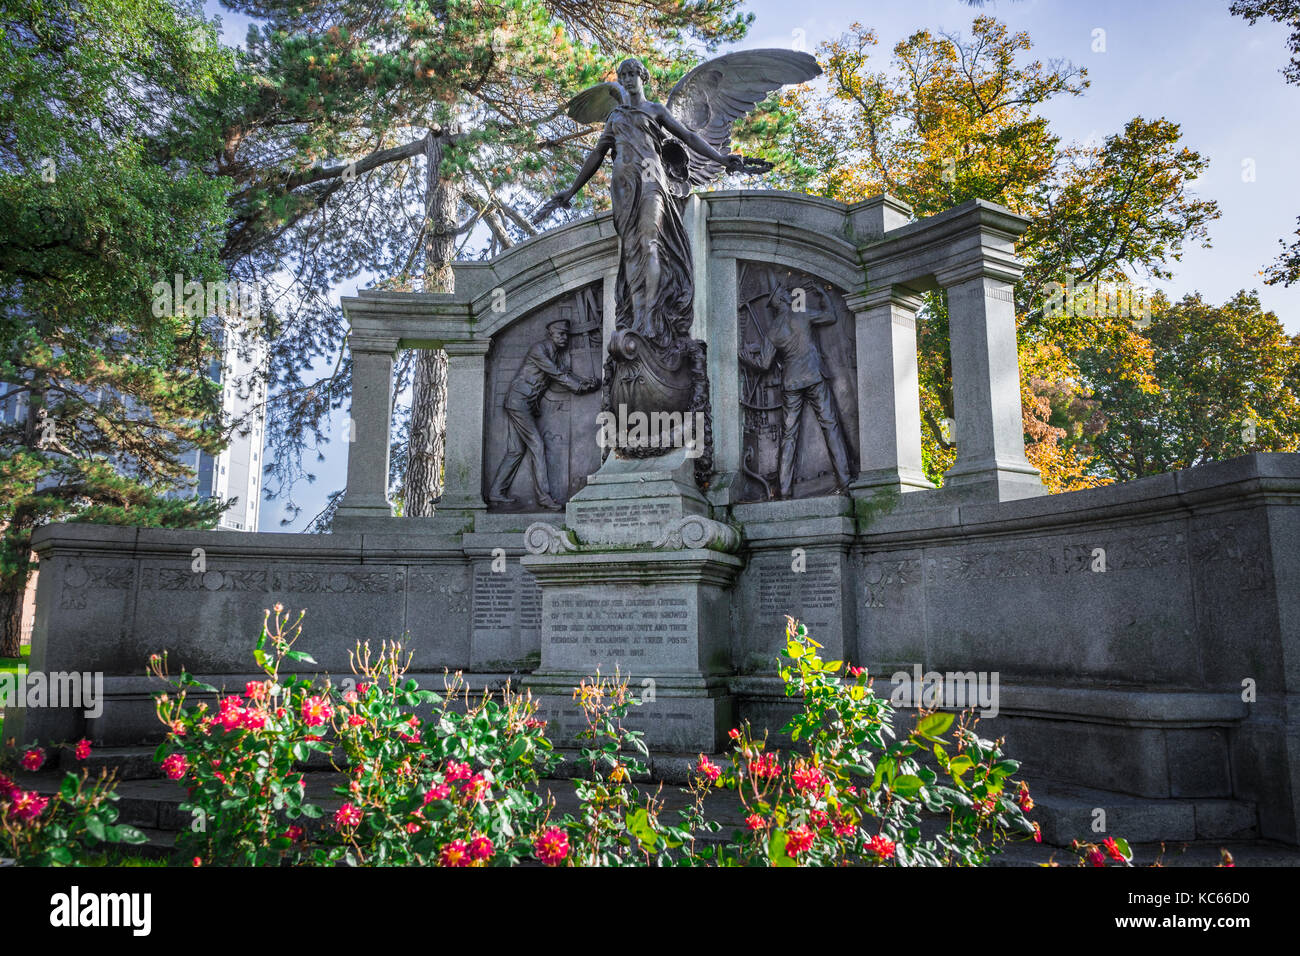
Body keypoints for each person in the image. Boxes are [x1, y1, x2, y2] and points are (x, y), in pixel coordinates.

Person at [740, 282, 851, 498]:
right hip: (814, 378)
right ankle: (845, 481)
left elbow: (763, 364)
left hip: (791, 384)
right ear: (780, 301)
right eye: (784, 293)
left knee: (788, 436)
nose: (789, 295)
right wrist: (822, 295)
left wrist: (746, 359)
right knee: (830, 427)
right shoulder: (802, 315)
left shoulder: (773, 331)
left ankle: (784, 490)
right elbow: (830, 316)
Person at [488, 319, 598, 510]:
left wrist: (585, 382)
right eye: (560, 334)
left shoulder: (554, 353)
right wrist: (580, 387)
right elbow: (556, 374)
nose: (565, 338)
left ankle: (496, 491)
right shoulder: (539, 350)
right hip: (518, 402)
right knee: (537, 446)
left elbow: (564, 372)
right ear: (551, 334)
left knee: (516, 451)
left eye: (566, 334)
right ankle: (544, 497)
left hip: (523, 404)